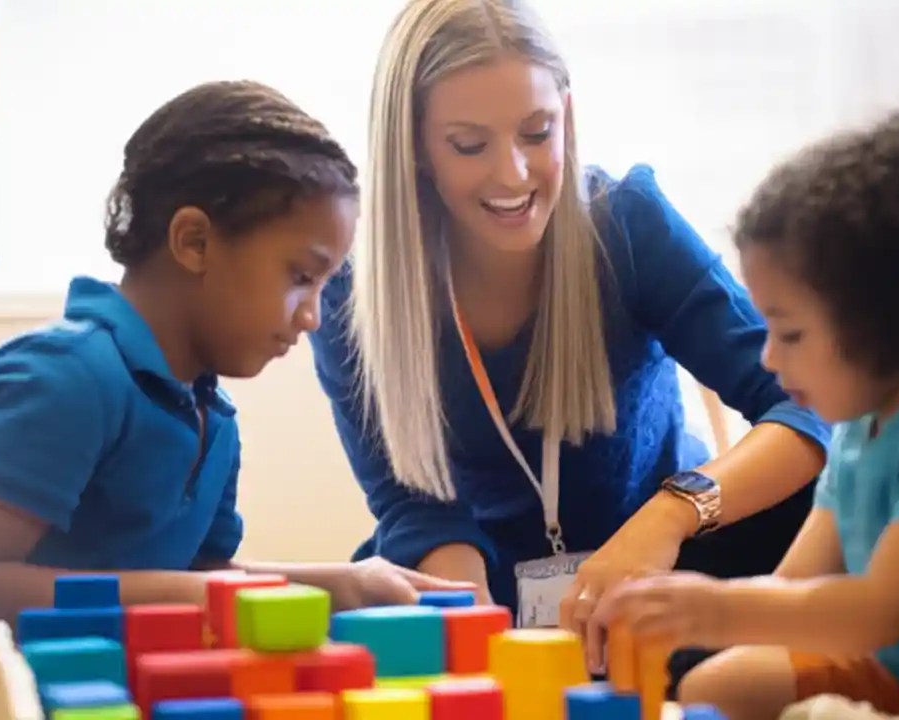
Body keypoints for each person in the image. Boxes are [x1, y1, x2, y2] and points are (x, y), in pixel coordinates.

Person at [0, 79, 469, 719]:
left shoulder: (211, 417)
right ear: (193, 241)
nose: (312, 315)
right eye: (300, 277)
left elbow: (195, 575)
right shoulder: (66, 379)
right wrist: (215, 591)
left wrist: (336, 583)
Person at [309, 0, 830, 675]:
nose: (514, 175)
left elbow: (808, 401)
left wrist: (670, 518)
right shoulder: (355, 288)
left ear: (568, 116)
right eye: (470, 145)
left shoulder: (626, 223)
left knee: (825, 512)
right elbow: (415, 506)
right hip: (486, 589)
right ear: (415, 147)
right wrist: (484, 643)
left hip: (667, 571)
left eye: (536, 132)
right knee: (369, 627)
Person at [597, 109, 899, 719]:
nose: (768, 357)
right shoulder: (863, 425)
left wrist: (717, 608)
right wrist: (683, 621)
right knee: (716, 687)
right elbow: (797, 587)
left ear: (886, 323)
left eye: (791, 334)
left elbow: (881, 610)